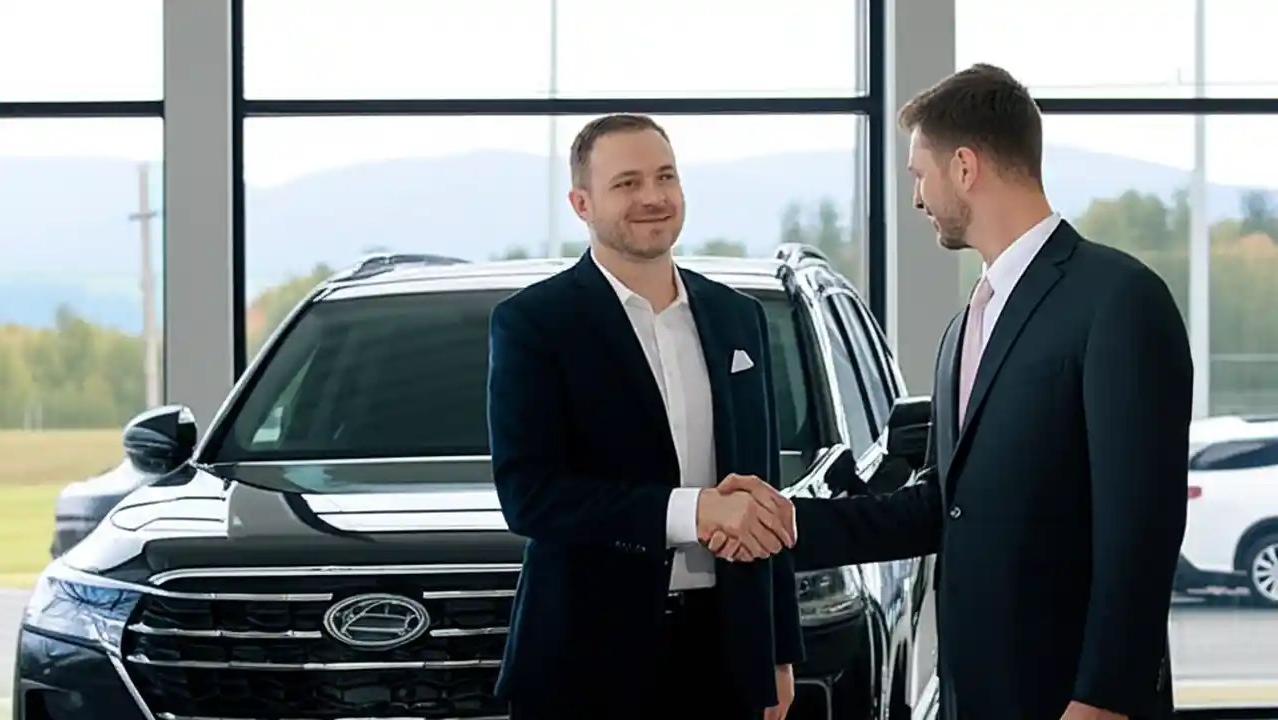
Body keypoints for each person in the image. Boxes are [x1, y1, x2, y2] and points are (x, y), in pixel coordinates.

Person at [713, 64, 1193, 720]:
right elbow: (941, 506)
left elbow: (1141, 527)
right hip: (976, 693)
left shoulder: (1119, 300)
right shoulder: (966, 325)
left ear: (964, 167)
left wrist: (1104, 697)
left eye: (919, 173)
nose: (916, 198)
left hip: (1074, 700)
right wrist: (788, 520)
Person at [486, 113, 804, 720]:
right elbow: (531, 495)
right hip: (585, 662)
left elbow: (764, 493)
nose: (653, 197)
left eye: (665, 176)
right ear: (582, 203)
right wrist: (693, 510)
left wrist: (777, 650)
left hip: (724, 656)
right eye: (627, 183)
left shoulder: (738, 318)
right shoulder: (534, 324)